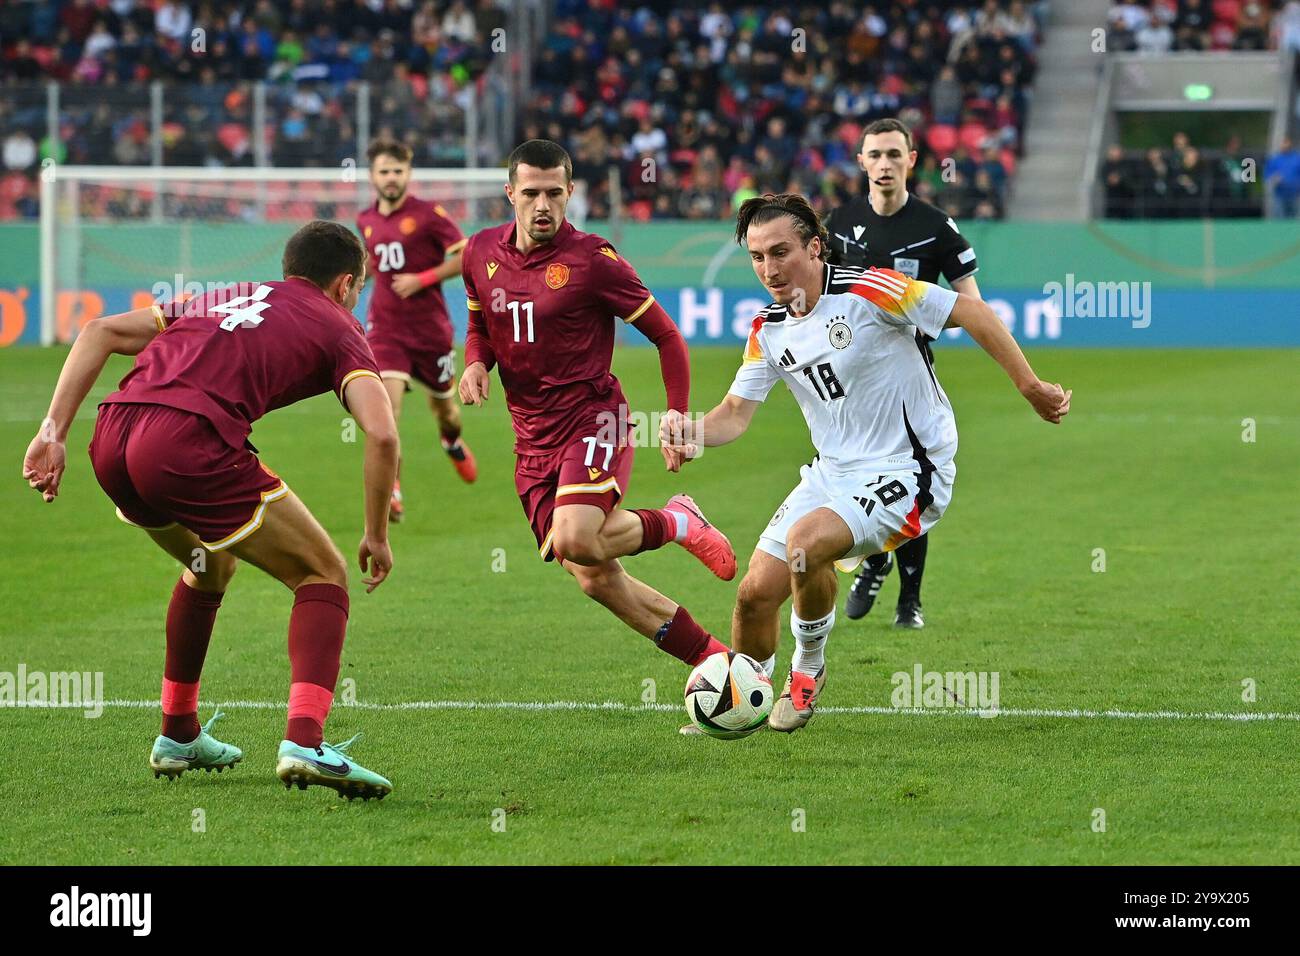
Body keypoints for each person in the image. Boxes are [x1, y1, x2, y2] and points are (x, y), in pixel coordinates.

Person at [661, 193, 1070, 732]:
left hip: (910, 468)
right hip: (833, 471)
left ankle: (807, 672)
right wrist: (691, 433)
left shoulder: (868, 289)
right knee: (754, 598)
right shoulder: (767, 327)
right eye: (757, 257)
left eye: (780, 252)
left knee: (807, 545)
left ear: (814, 246)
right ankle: (743, 701)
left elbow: (970, 310)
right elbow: (735, 414)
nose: (769, 268)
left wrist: (1031, 386)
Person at [22, 221, 399, 799]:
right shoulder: (340, 326)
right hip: (183, 444)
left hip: (114, 438)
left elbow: (98, 331)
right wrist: (375, 533)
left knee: (209, 564)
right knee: (323, 572)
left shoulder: (223, 293)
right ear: (346, 284)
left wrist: (53, 433)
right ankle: (304, 741)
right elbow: (382, 435)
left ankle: (177, 732)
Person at [459, 139, 735, 670]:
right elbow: (480, 325)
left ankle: (677, 522)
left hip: (595, 418)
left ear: (570, 194)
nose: (543, 205)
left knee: (579, 539)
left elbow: (668, 336)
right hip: (531, 439)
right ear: (510, 192)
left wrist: (676, 411)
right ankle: (717, 665)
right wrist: (476, 363)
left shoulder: (593, 259)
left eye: (555, 194)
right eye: (532, 193)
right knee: (594, 576)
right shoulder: (479, 253)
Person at [823, 117, 984, 629]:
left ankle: (908, 601)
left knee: (912, 480)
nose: (885, 164)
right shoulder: (837, 224)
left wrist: (930, 316)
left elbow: (971, 302)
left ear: (912, 159)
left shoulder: (936, 227)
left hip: (910, 375)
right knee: (854, 474)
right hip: (850, 378)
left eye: (895, 154)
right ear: (862, 161)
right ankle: (874, 559)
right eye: (876, 154)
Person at [358, 139, 476, 524]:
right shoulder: (365, 220)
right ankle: (393, 487)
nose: (391, 178)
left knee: (446, 410)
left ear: (408, 173)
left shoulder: (429, 215)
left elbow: (465, 256)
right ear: (372, 176)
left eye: (397, 171)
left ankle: (451, 440)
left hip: (430, 333)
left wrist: (422, 278)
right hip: (386, 330)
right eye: (384, 171)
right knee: (386, 411)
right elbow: (374, 263)